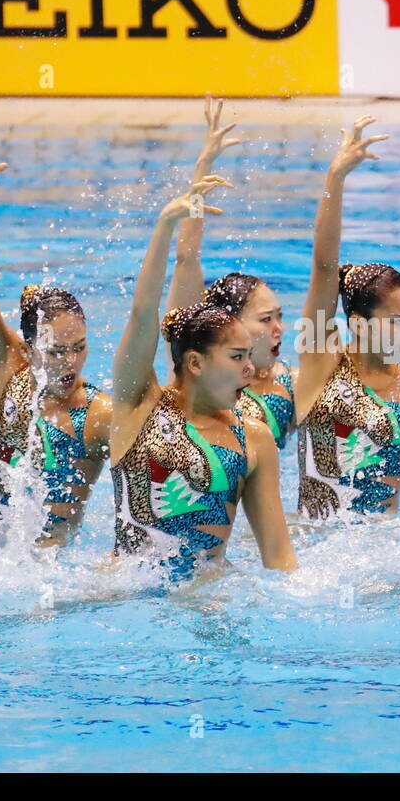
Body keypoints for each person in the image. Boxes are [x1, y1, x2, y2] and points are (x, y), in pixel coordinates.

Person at [109, 177, 298, 580]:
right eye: (236, 357)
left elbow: (279, 556)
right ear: (195, 363)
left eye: (249, 356)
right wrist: (164, 228)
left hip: (208, 599)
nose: (250, 368)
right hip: (124, 598)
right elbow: (143, 314)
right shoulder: (139, 406)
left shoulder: (256, 438)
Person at [0, 130, 110, 544]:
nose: (71, 362)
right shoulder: (8, 368)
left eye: (79, 349)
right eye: (56, 351)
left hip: (54, 567)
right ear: (27, 348)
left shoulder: (98, 414)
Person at [295, 117, 400, 518]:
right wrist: (335, 178)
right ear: (358, 323)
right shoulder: (320, 365)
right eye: (399, 320)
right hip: (312, 548)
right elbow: (322, 267)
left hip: (384, 551)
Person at [165, 96, 296, 448]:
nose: (279, 329)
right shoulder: (193, 374)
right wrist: (202, 169)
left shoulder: (288, 387)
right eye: (266, 319)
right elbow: (186, 259)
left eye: (279, 317)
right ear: (229, 325)